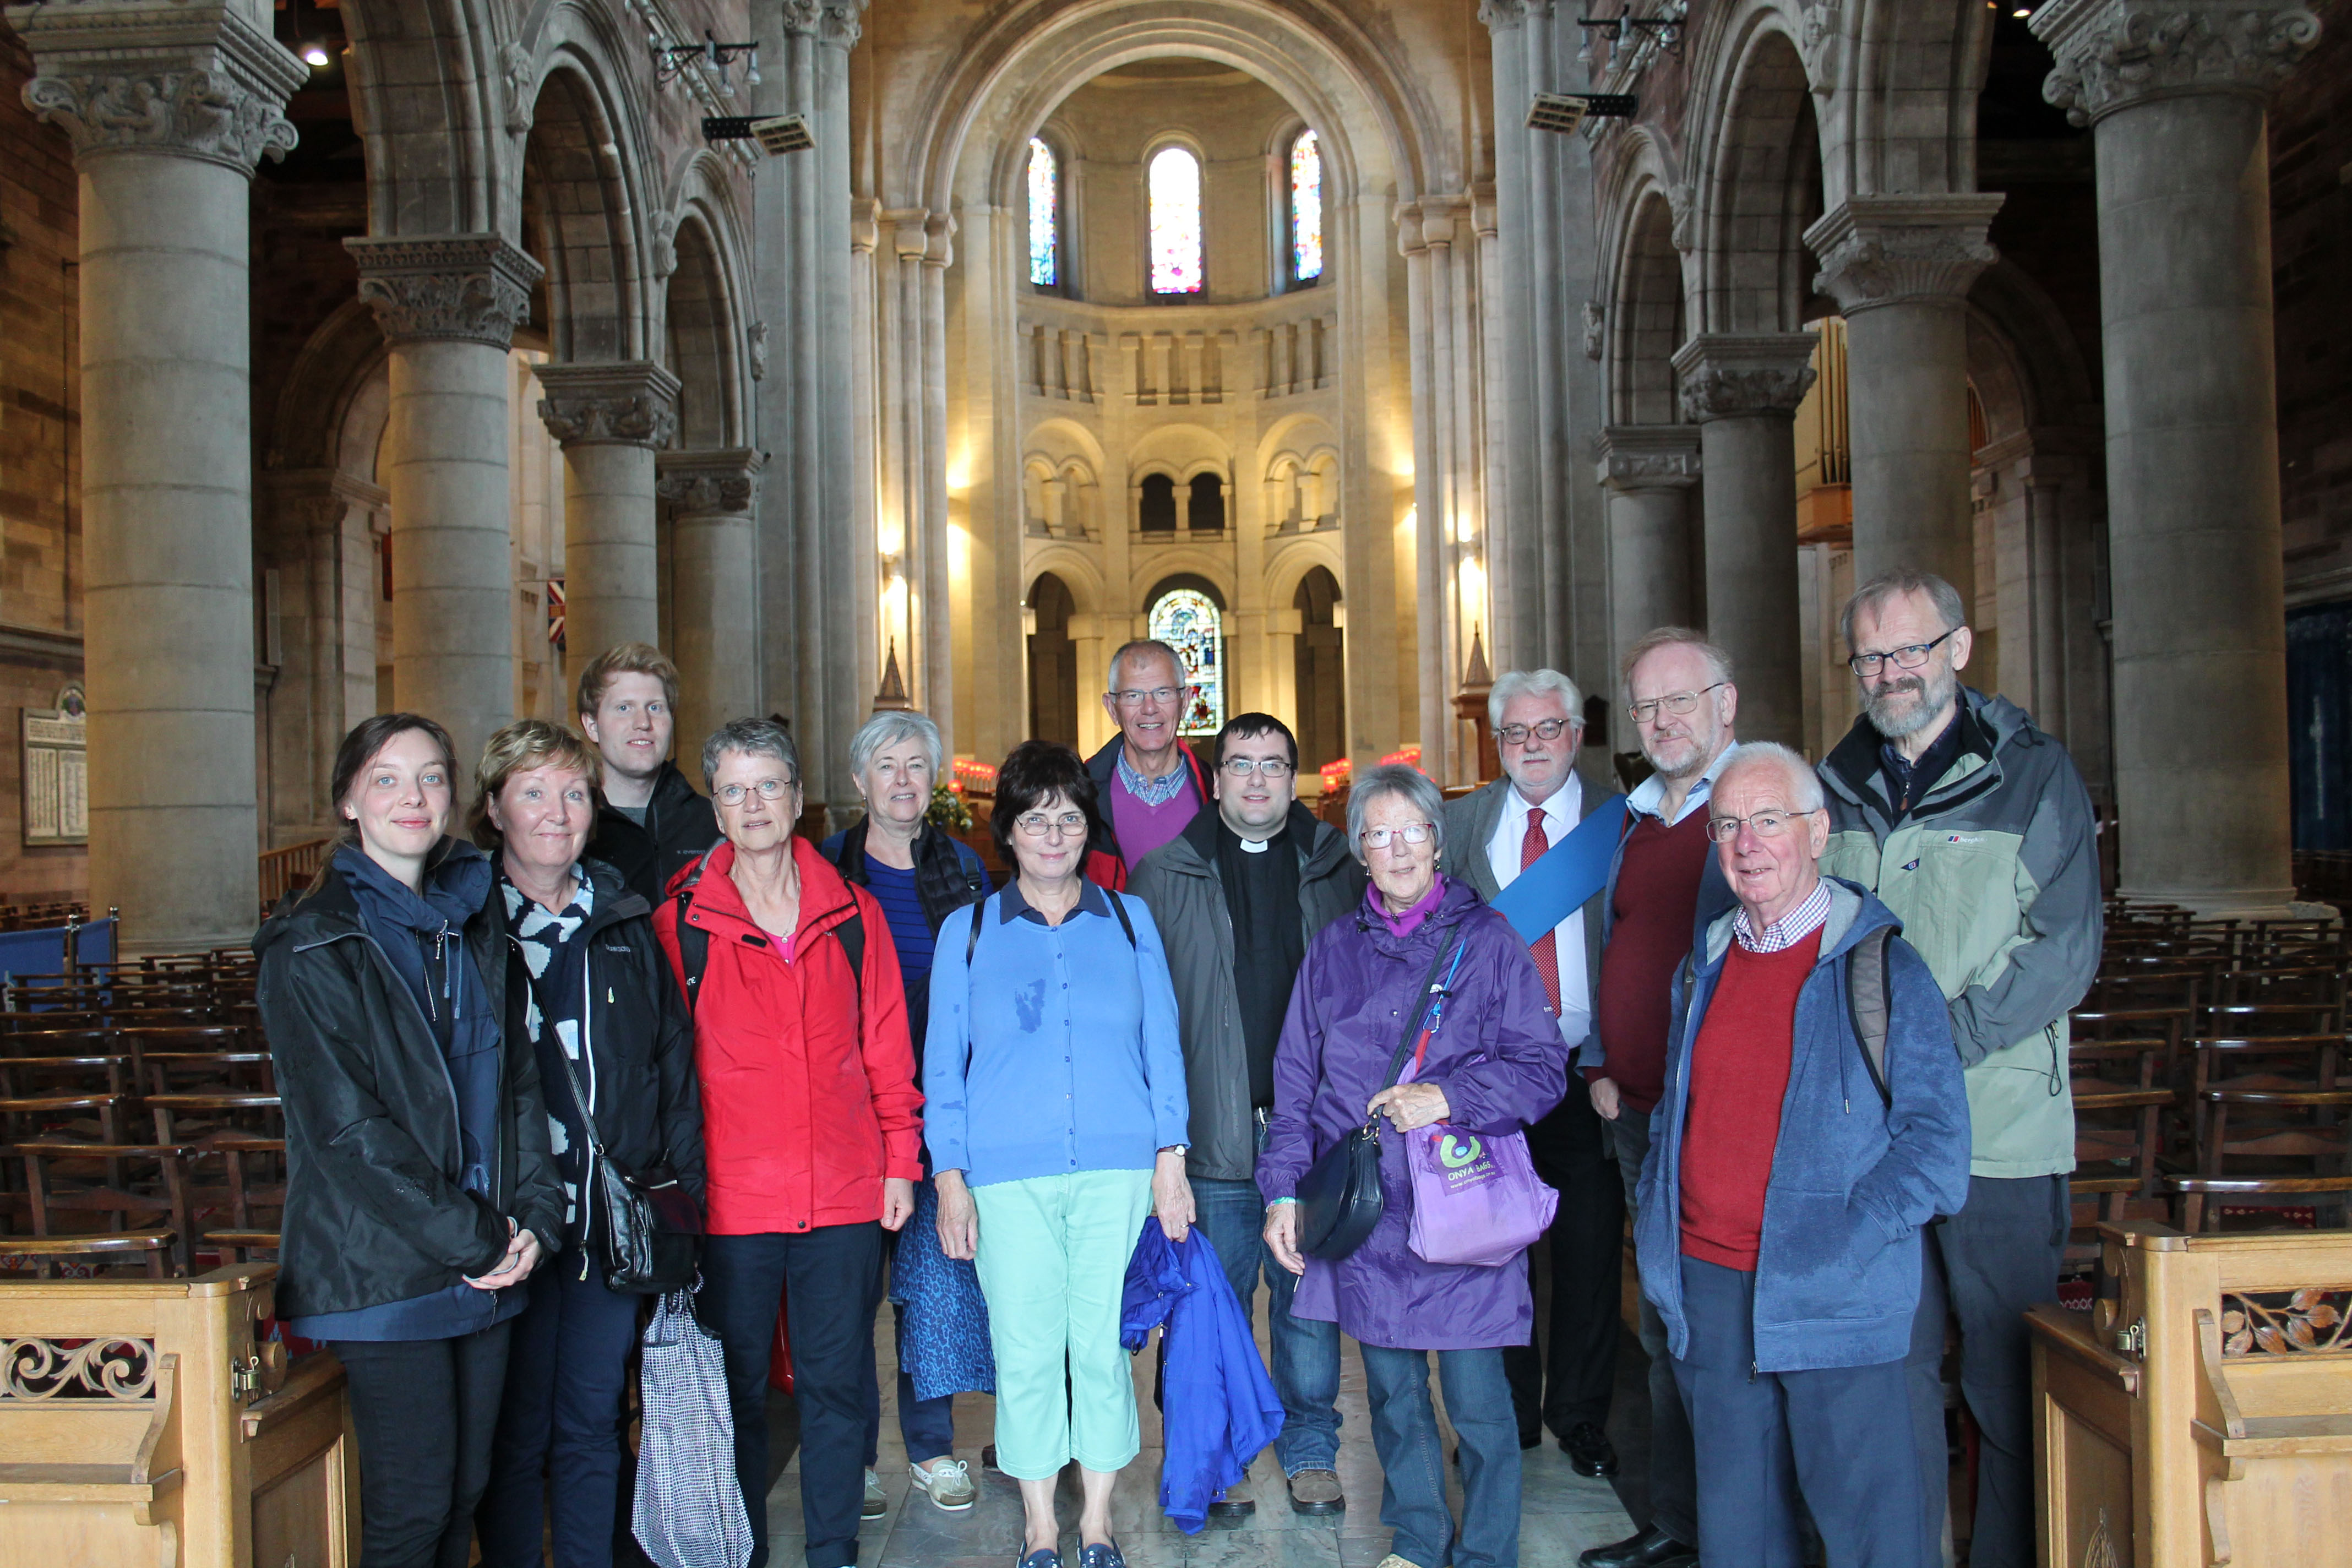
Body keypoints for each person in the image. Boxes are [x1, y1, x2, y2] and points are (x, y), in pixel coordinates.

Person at [1815, 570, 2101, 1568]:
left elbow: (2062, 949)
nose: (1891, 672)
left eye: (1911, 649)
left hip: (1997, 1133)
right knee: (1887, 1368)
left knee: (2006, 1375)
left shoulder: (2033, 772)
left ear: (1959, 649)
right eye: (1872, 654)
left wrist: (1942, 1048)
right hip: (1871, 1138)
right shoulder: (1832, 781)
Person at [1637, 741, 1970, 1568]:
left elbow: (1937, 1150)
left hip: (1840, 1299)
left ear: (1818, 831)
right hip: (1712, 1298)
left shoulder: (1884, 969)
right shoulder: (1702, 968)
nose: (1748, 842)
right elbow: (1671, 1121)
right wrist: (1660, 1238)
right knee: (1741, 1541)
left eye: (1769, 820)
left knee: (1874, 1539)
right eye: (1728, 826)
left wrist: (1847, 1242)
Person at [257, 713, 563, 1568]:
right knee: (411, 1509)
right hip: (383, 1268)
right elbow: (348, 1131)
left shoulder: (471, 918)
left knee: (467, 1492)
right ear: (349, 799)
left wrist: (533, 1216)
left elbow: (517, 1086)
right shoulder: (312, 943)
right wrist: (478, 1237)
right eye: (386, 779)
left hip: (489, 1258)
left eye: (431, 777)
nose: (412, 796)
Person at [1261, 764, 1567, 1568]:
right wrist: (1282, 1192)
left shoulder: (1490, 942)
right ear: (1359, 848)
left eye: (1413, 830)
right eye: (1378, 833)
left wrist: (1448, 1096)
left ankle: (1489, 1551)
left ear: (1438, 838)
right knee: (1394, 1399)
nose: (1397, 848)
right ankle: (1422, 1539)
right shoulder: (1332, 951)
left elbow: (1542, 1070)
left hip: (1461, 1208)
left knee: (1479, 1406)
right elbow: (1293, 1084)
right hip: (1368, 1216)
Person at [651, 718, 923, 1568]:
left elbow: (885, 1046)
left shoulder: (854, 914)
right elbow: (666, 1074)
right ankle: (744, 1552)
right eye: (733, 790)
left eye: (769, 785)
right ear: (717, 810)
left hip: (843, 1192)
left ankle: (834, 1550)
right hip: (731, 1201)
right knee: (737, 1394)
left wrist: (899, 1162)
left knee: (838, 1385)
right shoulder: (680, 923)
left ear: (798, 798)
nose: (754, 804)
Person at [924, 740, 1193, 1568]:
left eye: (1069, 818)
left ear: (1088, 830)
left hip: (1118, 1171)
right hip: (1008, 1179)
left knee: (1100, 1349)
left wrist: (1170, 1160)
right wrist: (950, 1180)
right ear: (1006, 830)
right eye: (1035, 818)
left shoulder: (1127, 917)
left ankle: (1099, 1522)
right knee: (1029, 1348)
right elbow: (943, 1067)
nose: (1052, 834)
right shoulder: (967, 932)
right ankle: (1042, 1527)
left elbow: (1164, 1046)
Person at [468, 720, 705, 1568]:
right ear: (495, 809)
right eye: (534, 792)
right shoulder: (464, 928)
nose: (557, 811)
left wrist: (680, 1198)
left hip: (608, 1214)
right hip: (507, 1227)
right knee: (515, 1432)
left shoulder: (622, 917)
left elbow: (671, 1062)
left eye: (574, 792)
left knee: (593, 1420)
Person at [1127, 711, 1365, 1518]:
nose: (1257, 779)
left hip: (1311, 1137)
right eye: (1241, 764)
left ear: (1293, 777)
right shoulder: (1167, 873)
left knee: (1306, 1308)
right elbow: (1146, 1015)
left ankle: (1310, 1451)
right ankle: (1213, 1457)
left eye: (1273, 764)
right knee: (1206, 1312)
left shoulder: (1337, 867)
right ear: (1216, 777)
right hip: (1213, 1137)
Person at [1576, 630, 1740, 1568]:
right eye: (1646, 707)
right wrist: (1598, 1058)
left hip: (1715, 1113)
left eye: (1681, 699)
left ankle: (1736, 1521)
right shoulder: (1636, 818)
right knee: (1668, 1315)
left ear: (1727, 701)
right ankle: (1678, 1517)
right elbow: (1616, 939)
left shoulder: (1752, 803)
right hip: (1635, 1108)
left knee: (1717, 1316)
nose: (1664, 719)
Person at [1439, 669, 1621, 1476]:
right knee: (1495, 1252)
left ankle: (1580, 1415)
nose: (1533, 746)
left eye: (1550, 730)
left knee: (1587, 1252)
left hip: (1590, 1073)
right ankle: (1505, 1415)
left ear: (1577, 736)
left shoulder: (1623, 826)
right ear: (1497, 741)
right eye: (1517, 733)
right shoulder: (1459, 823)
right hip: (1494, 1077)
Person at [820, 711, 992, 1516]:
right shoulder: (824, 867)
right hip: (848, 1110)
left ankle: (931, 1449)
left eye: (916, 766)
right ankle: (850, 1459)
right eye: (886, 766)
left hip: (939, 1110)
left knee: (930, 1286)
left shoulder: (964, 868)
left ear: (933, 781)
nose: (901, 780)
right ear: (860, 780)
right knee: (850, 1296)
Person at [578, 643, 722, 904]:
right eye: (624, 708)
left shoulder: (715, 823)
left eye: (655, 708)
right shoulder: (572, 828)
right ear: (592, 726)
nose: (643, 722)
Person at [1083, 639, 1212, 884]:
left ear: (1184, 702)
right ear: (1112, 708)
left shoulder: (1217, 793)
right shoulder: (1080, 794)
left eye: (1162, 693)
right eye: (1133, 696)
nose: (1149, 708)